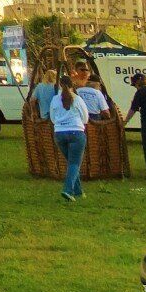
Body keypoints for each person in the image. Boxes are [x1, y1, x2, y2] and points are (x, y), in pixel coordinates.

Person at [50, 71, 90, 202]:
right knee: (74, 163)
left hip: (59, 133)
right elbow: (85, 118)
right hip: (76, 132)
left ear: (60, 85)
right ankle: (67, 190)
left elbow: (52, 118)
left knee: (72, 163)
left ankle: (78, 191)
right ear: (72, 85)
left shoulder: (55, 99)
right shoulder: (77, 99)